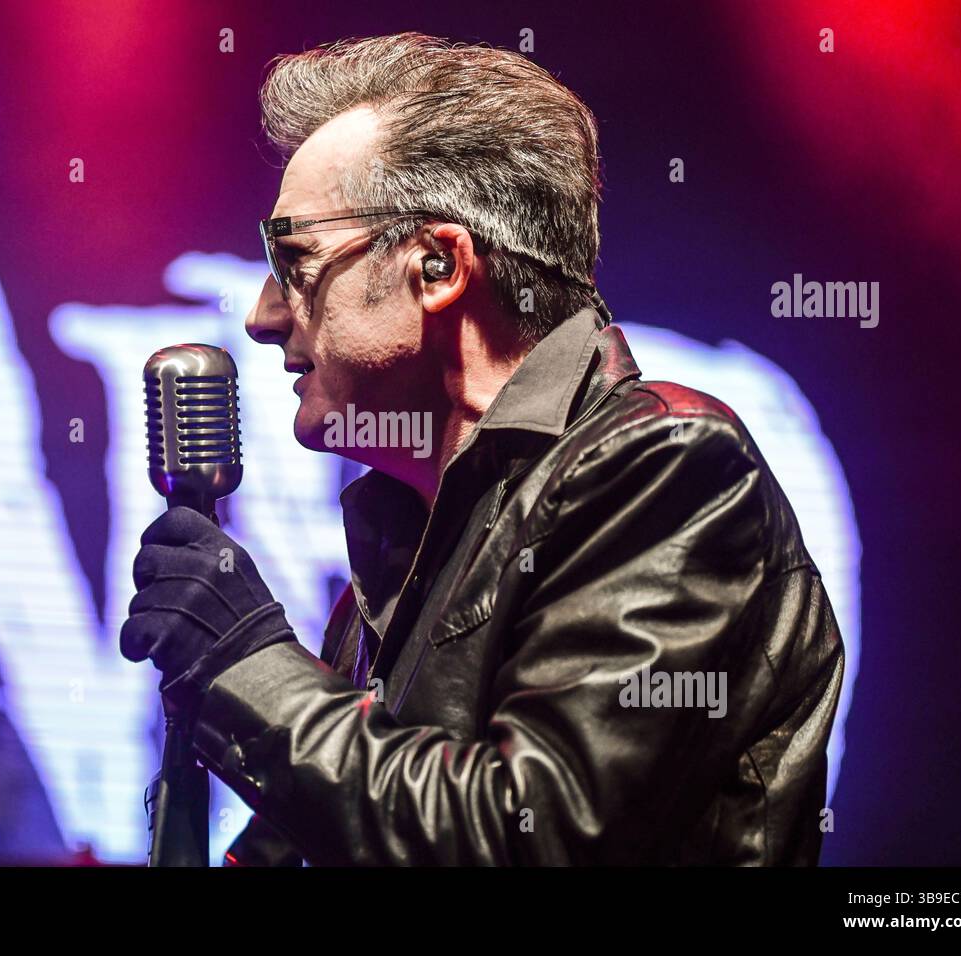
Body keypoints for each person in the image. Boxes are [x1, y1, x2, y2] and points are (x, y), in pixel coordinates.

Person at [120, 32, 844, 865]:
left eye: (295, 261)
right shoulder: (391, 573)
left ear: (436, 266)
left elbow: (531, 831)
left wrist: (247, 663)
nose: (263, 315)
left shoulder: (667, 466)